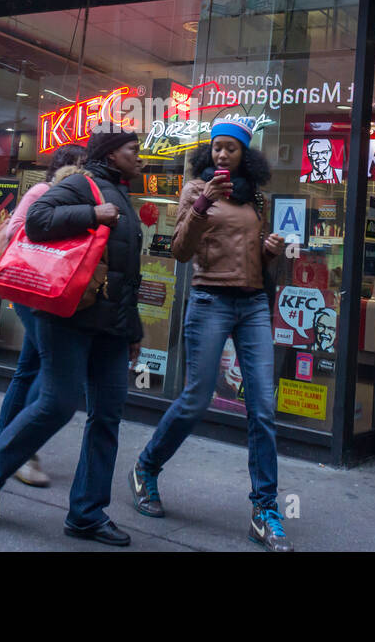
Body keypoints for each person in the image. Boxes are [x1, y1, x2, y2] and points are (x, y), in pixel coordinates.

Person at [0, 129, 143, 547]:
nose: (139, 158)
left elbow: (125, 275)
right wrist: (91, 215)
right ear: (109, 154)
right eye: (132, 151)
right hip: (66, 315)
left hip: (110, 327)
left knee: (107, 415)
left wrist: (133, 330)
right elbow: (36, 220)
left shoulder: (123, 197)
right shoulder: (79, 184)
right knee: (58, 403)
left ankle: (86, 514)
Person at [131, 117, 293, 552]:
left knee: (262, 406)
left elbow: (256, 263)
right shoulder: (192, 190)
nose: (222, 155)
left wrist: (269, 252)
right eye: (217, 148)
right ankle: (146, 467)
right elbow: (182, 252)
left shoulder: (256, 198)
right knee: (196, 399)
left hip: (253, 303)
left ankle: (265, 510)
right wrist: (202, 205)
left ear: (245, 155)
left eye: (231, 149)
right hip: (209, 301)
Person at [0, 143, 88, 488]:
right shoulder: (43, 191)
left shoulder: (70, 196)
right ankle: (19, 450)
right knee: (44, 369)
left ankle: (4, 446)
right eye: (81, 165)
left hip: (45, 292)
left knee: (28, 368)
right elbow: (16, 228)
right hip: (33, 290)